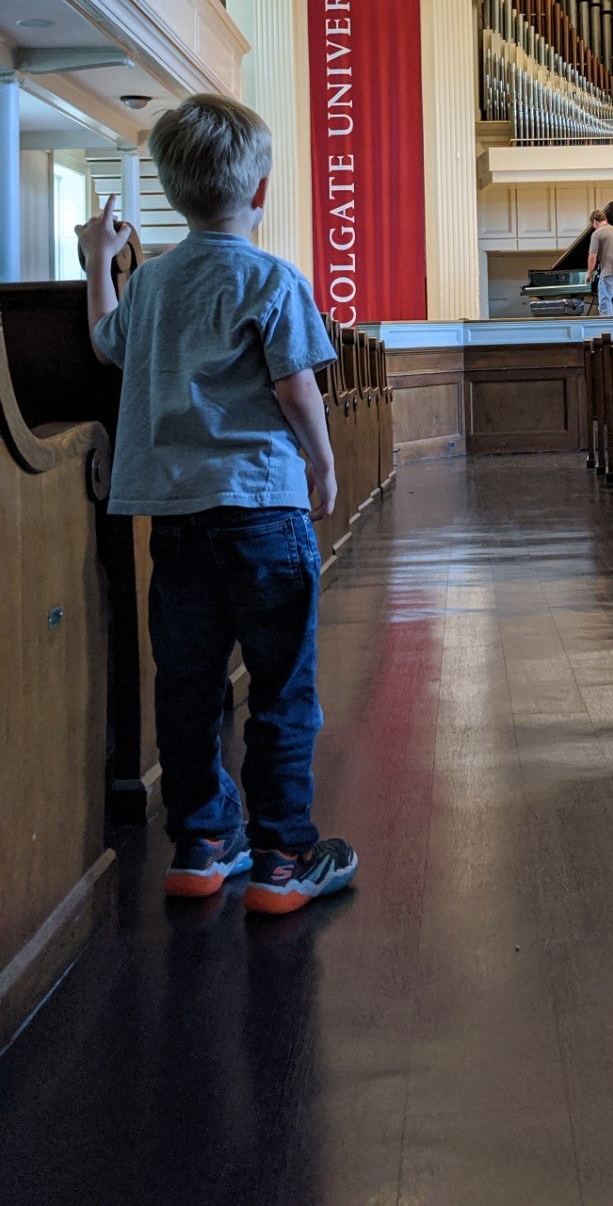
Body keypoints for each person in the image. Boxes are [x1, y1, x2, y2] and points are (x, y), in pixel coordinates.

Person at [76, 94, 357, 916]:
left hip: (176, 520)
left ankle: (201, 845)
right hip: (265, 512)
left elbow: (105, 342)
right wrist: (324, 463)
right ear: (259, 189)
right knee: (281, 690)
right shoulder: (272, 278)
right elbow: (295, 386)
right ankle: (282, 857)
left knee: (190, 685)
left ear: (170, 191)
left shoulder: (154, 282)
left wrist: (100, 260)